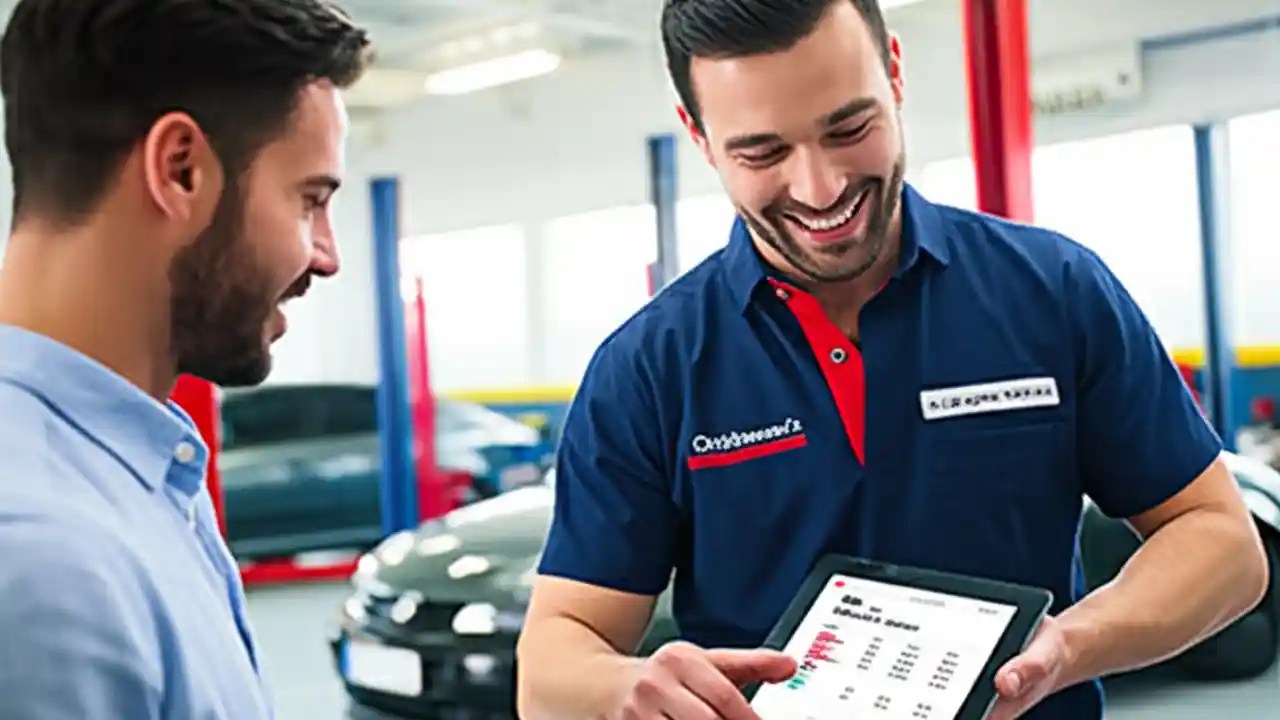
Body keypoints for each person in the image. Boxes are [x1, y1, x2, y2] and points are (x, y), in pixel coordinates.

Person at [514, 1, 1270, 719]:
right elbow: (551, 664)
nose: (822, 188)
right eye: (763, 151)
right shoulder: (648, 368)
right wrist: (623, 686)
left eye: (849, 128)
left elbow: (1223, 544)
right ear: (700, 136)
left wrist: (1065, 648)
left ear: (895, 74)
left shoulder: (1053, 293)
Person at [0, 0, 372, 717]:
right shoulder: (48, 567)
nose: (326, 256)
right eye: (309, 200)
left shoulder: (135, 469)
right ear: (180, 170)